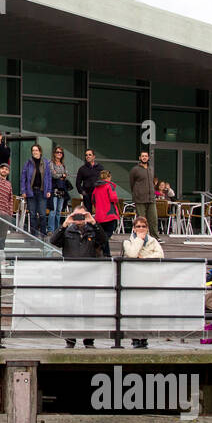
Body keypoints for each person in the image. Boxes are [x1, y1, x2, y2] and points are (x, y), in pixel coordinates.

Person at [50, 205, 101, 348]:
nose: (79, 219)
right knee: (69, 308)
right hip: (70, 274)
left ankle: (89, 340)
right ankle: (70, 339)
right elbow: (53, 241)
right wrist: (65, 224)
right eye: (76, 215)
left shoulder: (92, 229)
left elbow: (103, 240)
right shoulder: (67, 230)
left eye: (82, 215)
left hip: (88, 274)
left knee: (89, 308)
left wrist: (93, 222)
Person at [121, 216, 163, 348]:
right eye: (138, 226)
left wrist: (144, 258)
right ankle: (135, 337)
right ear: (133, 228)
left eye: (143, 226)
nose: (141, 229)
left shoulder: (153, 241)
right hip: (133, 281)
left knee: (147, 310)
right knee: (133, 311)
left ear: (147, 228)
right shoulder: (127, 242)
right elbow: (132, 254)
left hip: (149, 280)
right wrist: (139, 240)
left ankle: (144, 337)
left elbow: (160, 255)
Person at [20, 144, 50, 237]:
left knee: (42, 214)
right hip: (31, 192)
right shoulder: (28, 163)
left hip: (42, 191)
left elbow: (48, 177)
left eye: (36, 150)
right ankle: (33, 236)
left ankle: (43, 234)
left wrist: (49, 190)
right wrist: (23, 191)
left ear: (40, 151)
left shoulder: (45, 162)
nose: (34, 152)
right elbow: (23, 177)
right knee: (32, 214)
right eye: (33, 150)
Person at [91, 169, 121, 257]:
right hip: (109, 213)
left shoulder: (96, 187)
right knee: (108, 232)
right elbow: (113, 198)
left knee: (103, 233)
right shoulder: (109, 186)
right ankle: (98, 243)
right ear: (109, 177)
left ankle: (106, 253)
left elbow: (93, 200)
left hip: (99, 214)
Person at [129, 151, 158, 238]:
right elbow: (132, 183)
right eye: (143, 156)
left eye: (146, 156)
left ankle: (155, 237)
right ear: (140, 158)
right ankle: (140, 237)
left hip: (151, 198)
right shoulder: (135, 169)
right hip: (140, 198)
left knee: (153, 219)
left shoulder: (151, 169)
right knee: (141, 220)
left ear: (148, 158)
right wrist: (136, 194)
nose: (144, 157)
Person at [47, 146, 74, 233]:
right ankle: (50, 229)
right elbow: (53, 175)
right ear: (54, 153)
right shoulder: (50, 163)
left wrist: (60, 174)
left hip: (62, 190)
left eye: (61, 152)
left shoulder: (63, 165)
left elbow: (66, 174)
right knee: (53, 210)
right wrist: (62, 175)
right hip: (54, 189)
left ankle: (57, 229)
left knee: (59, 211)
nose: (59, 154)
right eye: (57, 152)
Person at [76, 148, 102, 216]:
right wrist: (82, 192)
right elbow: (78, 183)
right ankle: (89, 226)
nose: (88, 156)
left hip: (98, 194)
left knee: (100, 213)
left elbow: (104, 180)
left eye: (90, 155)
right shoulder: (82, 169)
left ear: (94, 156)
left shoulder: (100, 167)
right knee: (88, 214)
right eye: (86, 155)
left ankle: (98, 226)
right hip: (87, 194)